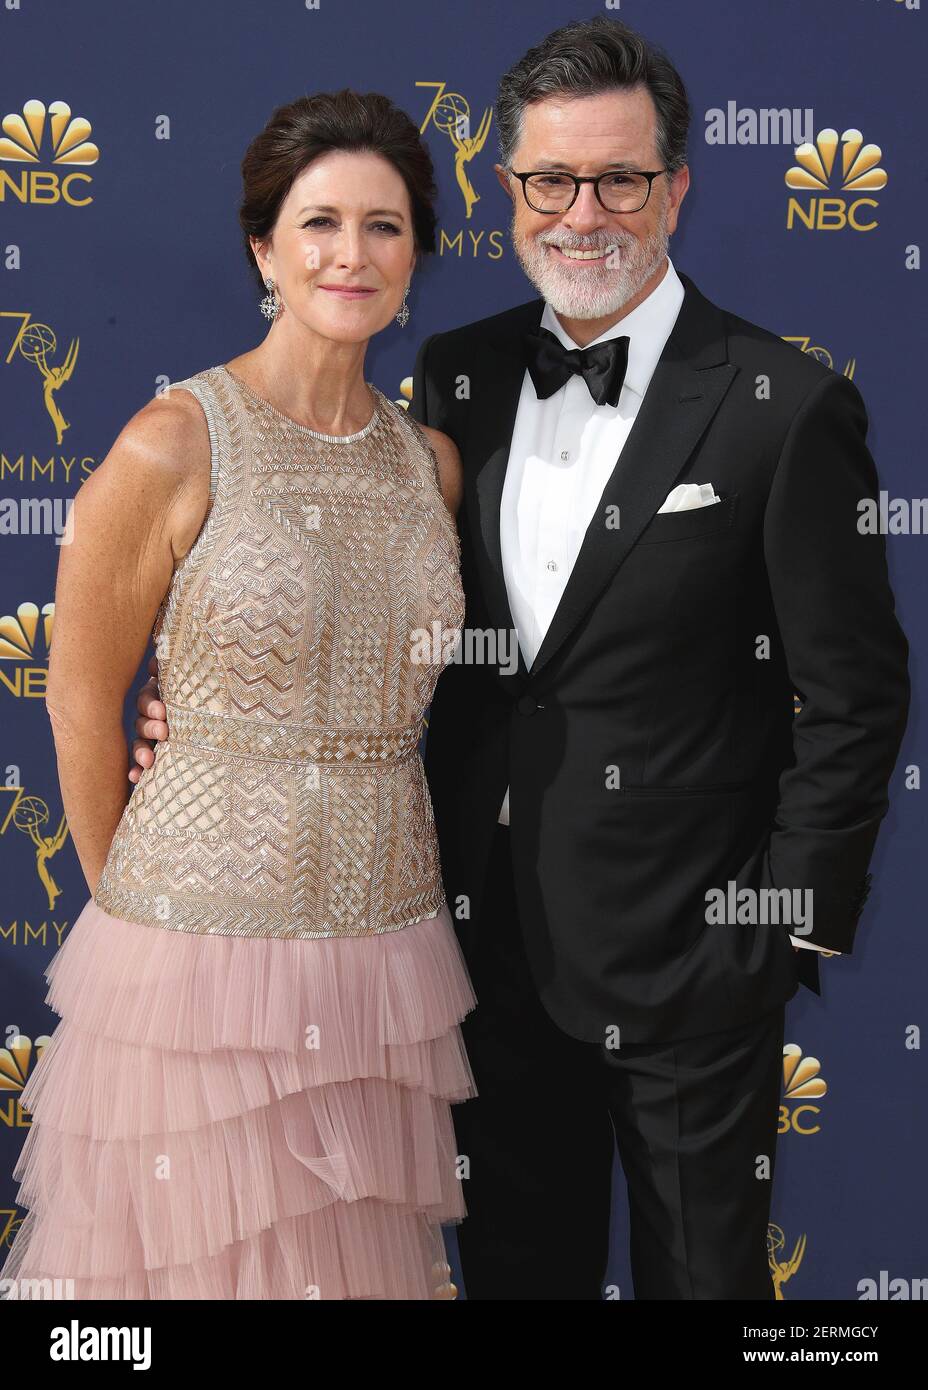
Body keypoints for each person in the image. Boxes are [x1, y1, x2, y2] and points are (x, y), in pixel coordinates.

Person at [132, 19, 910, 1301]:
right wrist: (207, 708)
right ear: (510, 193)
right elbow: (384, 612)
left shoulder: (783, 404)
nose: (583, 214)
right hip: (479, 960)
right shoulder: (461, 375)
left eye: (620, 179)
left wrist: (782, 931)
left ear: (677, 187)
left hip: (694, 971)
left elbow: (855, 694)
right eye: (550, 180)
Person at [1, 90, 477, 1300]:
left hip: (385, 946)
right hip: (195, 959)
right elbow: (79, 698)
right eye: (319, 222)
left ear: (416, 253)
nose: (350, 254)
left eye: (383, 225)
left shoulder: (431, 463)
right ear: (264, 248)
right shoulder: (174, 440)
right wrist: (131, 919)